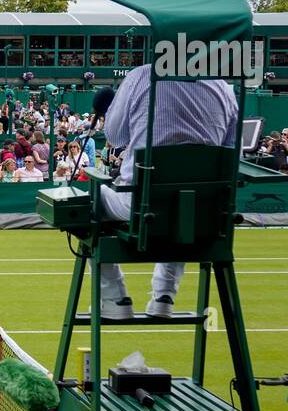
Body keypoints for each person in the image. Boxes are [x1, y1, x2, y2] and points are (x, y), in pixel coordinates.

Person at [92, 63, 238, 319]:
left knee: (89, 201)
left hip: (139, 206)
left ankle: (116, 299)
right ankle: (164, 296)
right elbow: (231, 150)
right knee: (185, 202)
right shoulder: (223, 87)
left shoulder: (140, 75)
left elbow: (115, 137)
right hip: (202, 214)